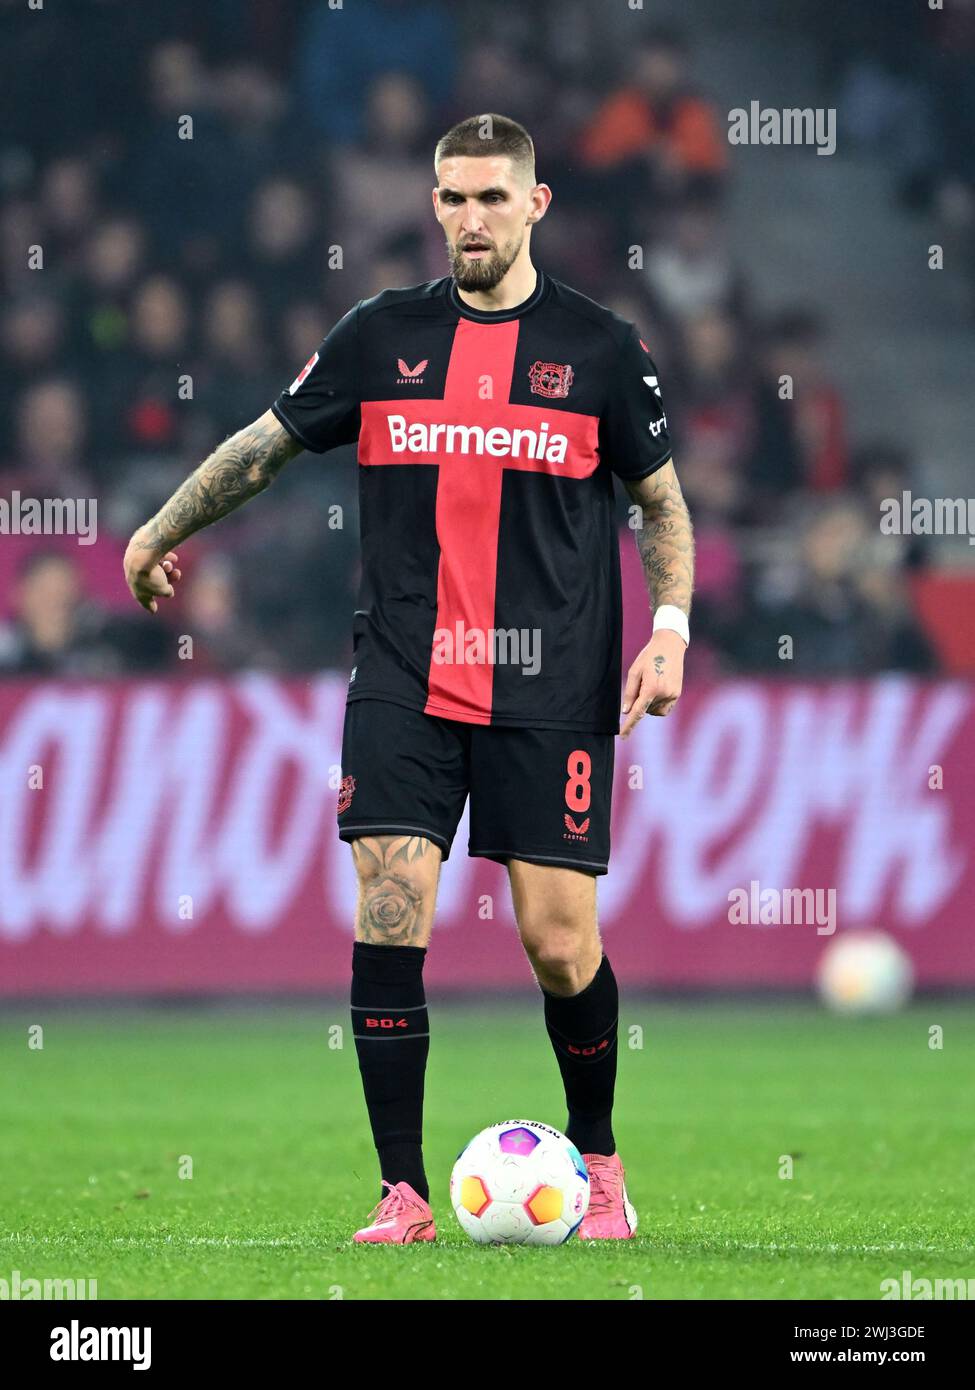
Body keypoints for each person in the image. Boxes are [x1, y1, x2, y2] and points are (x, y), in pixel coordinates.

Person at [123, 113, 695, 1245]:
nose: (470, 219)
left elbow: (661, 504)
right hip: (403, 671)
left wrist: (669, 628)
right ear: (433, 205)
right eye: (453, 198)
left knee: (558, 941)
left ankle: (599, 1158)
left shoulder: (599, 349)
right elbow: (265, 446)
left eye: (492, 198)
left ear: (534, 205)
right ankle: (404, 1192)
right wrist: (157, 529)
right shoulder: (379, 335)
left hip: (549, 680)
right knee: (390, 908)